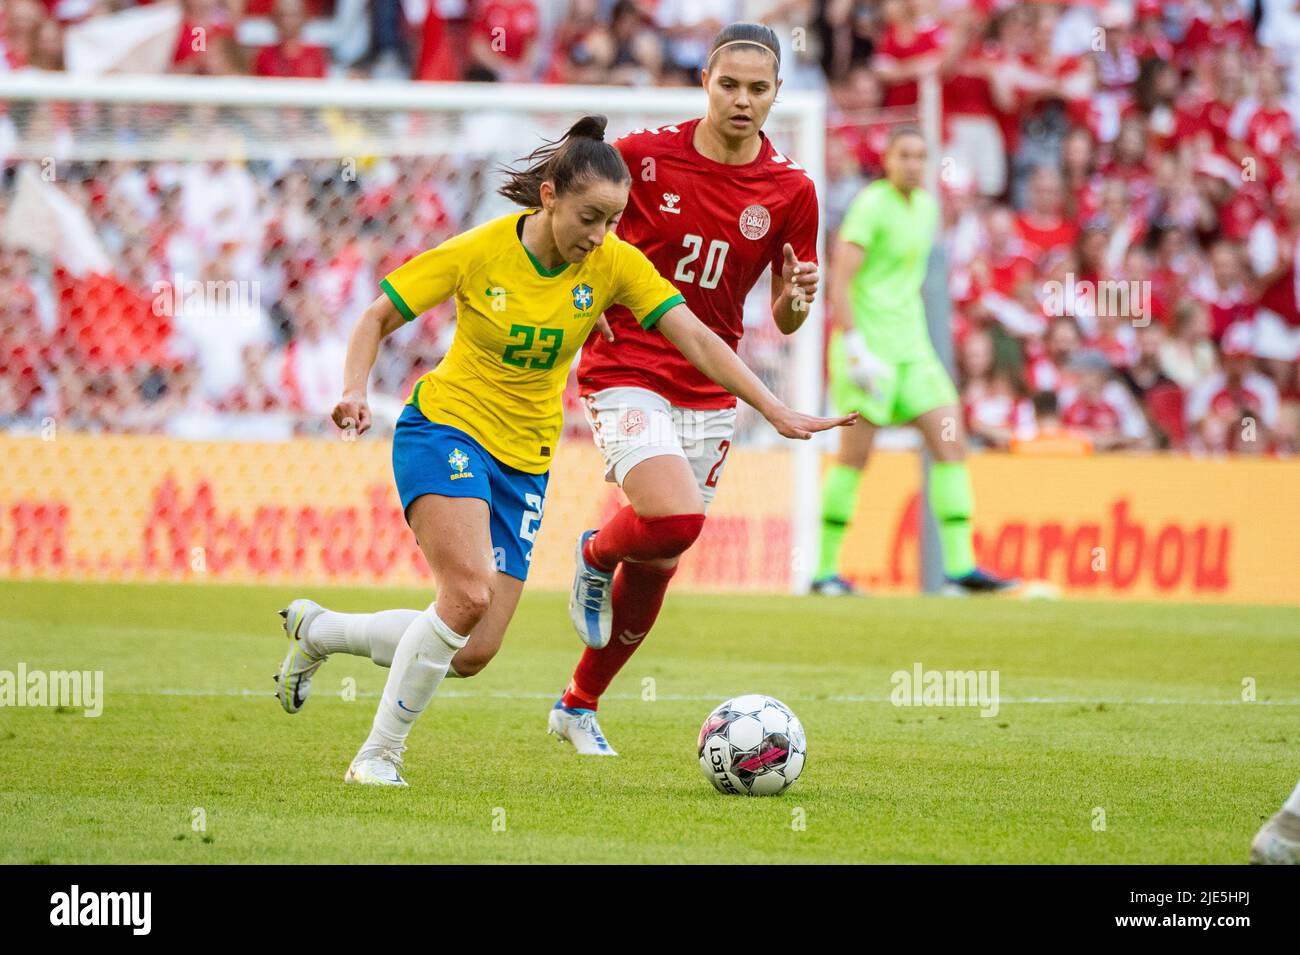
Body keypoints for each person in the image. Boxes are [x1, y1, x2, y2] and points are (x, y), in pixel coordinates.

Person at [272, 114, 854, 786]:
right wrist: (353, 389)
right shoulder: (481, 251)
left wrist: (773, 406)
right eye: (589, 218)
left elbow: (696, 336)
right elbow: (377, 315)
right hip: (446, 429)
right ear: (549, 197)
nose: (600, 235)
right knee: (466, 594)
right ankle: (377, 756)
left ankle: (320, 632)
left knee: (472, 650)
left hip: (524, 460)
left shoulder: (611, 264)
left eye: (613, 221)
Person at [555, 22, 824, 755]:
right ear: (704, 81)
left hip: (709, 381)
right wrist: (578, 298)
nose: (742, 100)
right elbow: (568, 222)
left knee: (662, 560)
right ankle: (594, 553)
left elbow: (786, 316)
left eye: (757, 89)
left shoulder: (793, 190)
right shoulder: (643, 157)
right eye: (728, 84)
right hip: (628, 366)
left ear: (777, 94)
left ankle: (579, 703)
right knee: (674, 519)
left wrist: (798, 296)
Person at [812, 126, 1017, 597]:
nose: (911, 164)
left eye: (920, 156)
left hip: (913, 351)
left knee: (951, 440)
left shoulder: (927, 209)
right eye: (903, 155)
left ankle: (960, 568)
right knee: (854, 458)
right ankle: (824, 572)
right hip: (868, 352)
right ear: (887, 159)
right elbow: (840, 280)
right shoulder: (870, 205)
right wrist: (854, 346)